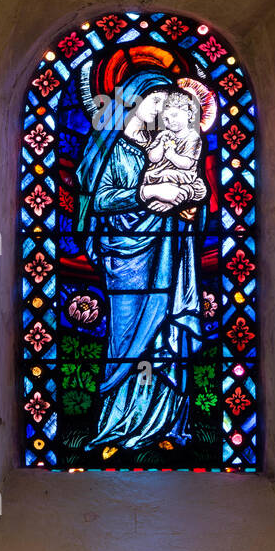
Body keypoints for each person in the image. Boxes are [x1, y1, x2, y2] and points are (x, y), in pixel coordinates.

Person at [75, 73, 208, 458]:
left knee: (165, 335)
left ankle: (164, 423)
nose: (162, 111)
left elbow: (190, 190)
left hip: (167, 252)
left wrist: (187, 203)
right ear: (132, 101)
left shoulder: (163, 146)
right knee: (126, 337)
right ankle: (117, 424)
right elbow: (98, 200)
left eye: (168, 105)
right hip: (126, 256)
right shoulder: (114, 148)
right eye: (156, 102)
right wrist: (147, 192)